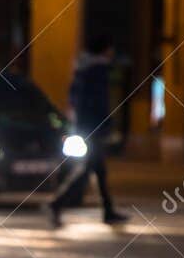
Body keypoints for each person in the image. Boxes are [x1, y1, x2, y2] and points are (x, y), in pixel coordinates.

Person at [49, 34, 127, 227]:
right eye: (110, 48)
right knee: (89, 169)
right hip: (94, 127)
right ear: (104, 49)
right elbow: (99, 102)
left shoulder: (82, 69)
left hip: (84, 125)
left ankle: (108, 210)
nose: (112, 52)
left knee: (97, 170)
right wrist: (106, 124)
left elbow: (75, 100)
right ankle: (58, 203)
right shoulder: (98, 70)